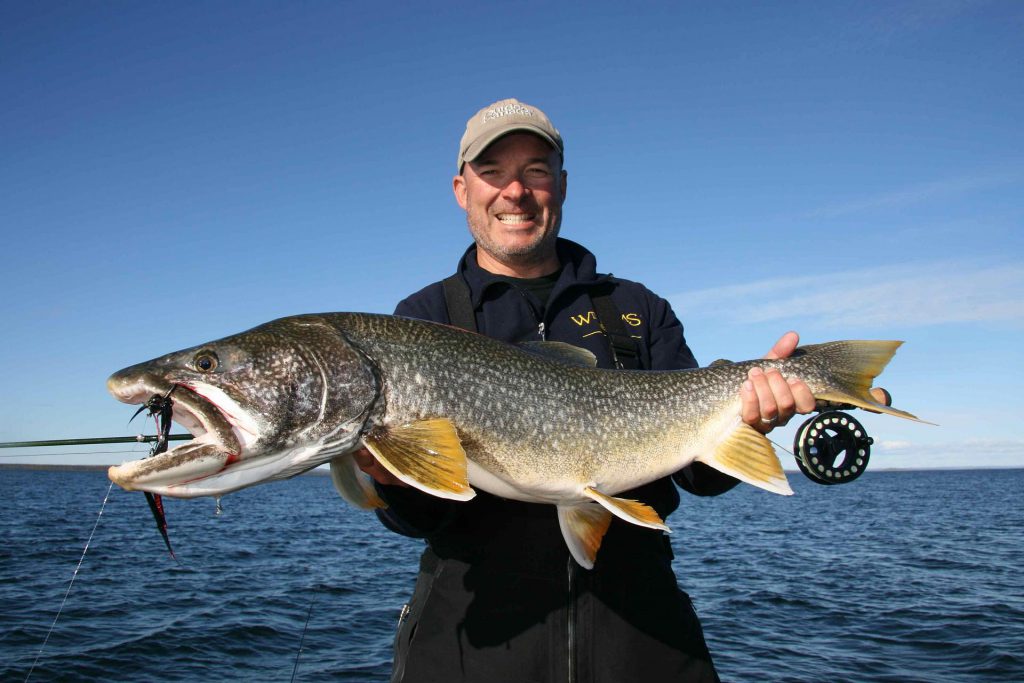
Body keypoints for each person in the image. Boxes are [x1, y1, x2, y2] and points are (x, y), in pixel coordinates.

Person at [356, 98, 818, 683]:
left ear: (563, 185)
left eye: (536, 170)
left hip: (643, 639)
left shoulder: (637, 307)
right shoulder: (421, 320)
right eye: (492, 172)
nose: (515, 191)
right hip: (472, 647)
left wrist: (751, 420)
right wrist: (388, 477)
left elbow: (701, 476)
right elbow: (416, 518)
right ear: (460, 189)